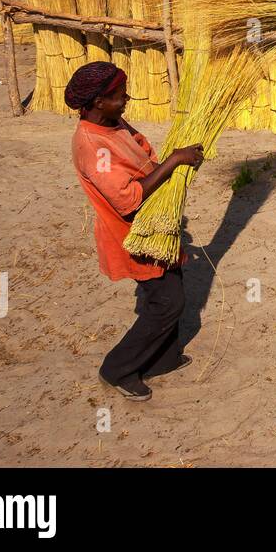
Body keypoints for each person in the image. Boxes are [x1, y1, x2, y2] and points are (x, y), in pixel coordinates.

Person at [67, 61, 204, 402]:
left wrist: (172, 163)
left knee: (173, 282)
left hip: (155, 223)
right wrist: (174, 162)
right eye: (119, 95)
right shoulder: (92, 147)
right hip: (131, 234)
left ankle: (164, 358)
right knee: (167, 302)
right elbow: (126, 200)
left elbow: (142, 150)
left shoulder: (113, 123)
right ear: (99, 101)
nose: (127, 98)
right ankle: (117, 369)